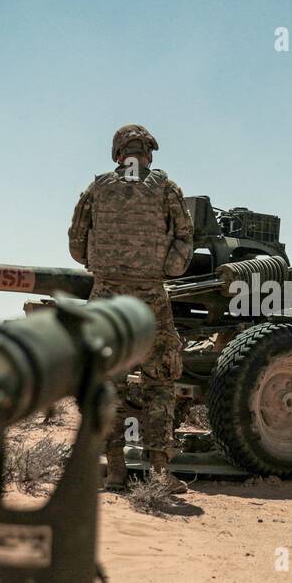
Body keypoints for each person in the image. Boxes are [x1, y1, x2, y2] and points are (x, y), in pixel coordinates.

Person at [69, 124, 193, 490]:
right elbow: (185, 237)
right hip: (151, 296)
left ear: (118, 154)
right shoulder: (167, 189)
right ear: (149, 153)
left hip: (106, 297)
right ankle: (158, 473)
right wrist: (162, 271)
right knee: (160, 381)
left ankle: (117, 470)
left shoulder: (97, 189)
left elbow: (76, 243)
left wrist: (102, 266)